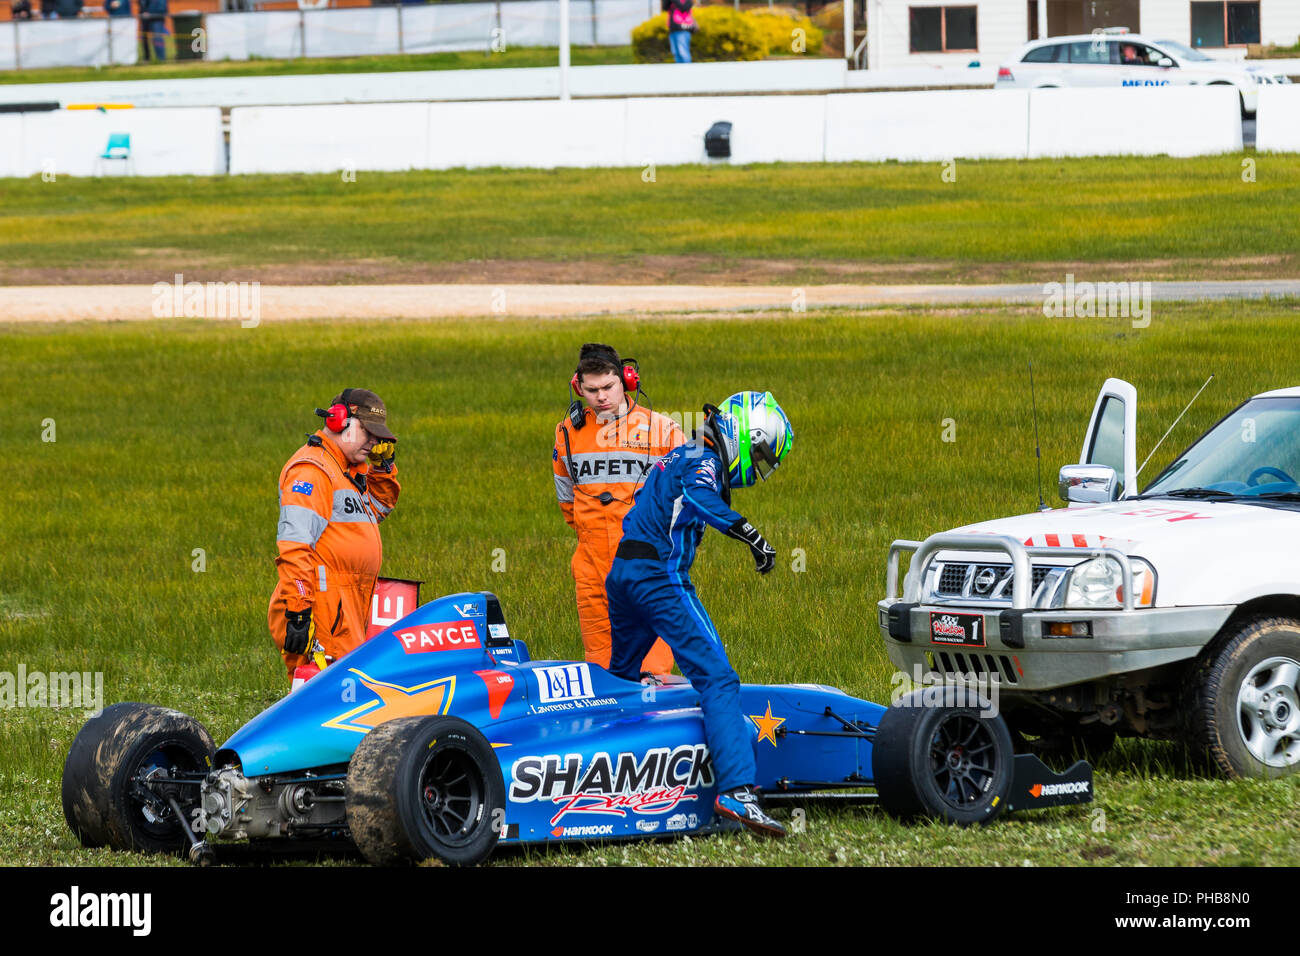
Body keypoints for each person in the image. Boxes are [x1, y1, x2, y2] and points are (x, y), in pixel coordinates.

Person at [606, 390, 793, 838]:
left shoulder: (679, 452)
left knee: (621, 680)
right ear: (745, 436)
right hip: (658, 577)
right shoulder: (703, 458)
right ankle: (737, 792)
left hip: (622, 574)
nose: (757, 469)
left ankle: (611, 782)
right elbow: (700, 495)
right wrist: (750, 535)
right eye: (760, 455)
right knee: (718, 678)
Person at [553, 343, 685, 675]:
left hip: (647, 565)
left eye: (608, 387)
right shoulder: (567, 433)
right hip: (591, 569)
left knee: (652, 672)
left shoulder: (664, 431)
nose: (601, 397)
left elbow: (686, 499)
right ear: (578, 388)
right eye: (592, 390)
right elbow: (567, 502)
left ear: (626, 381)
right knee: (601, 673)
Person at [268, 388, 400, 679]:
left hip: (344, 608)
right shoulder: (312, 471)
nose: (375, 442)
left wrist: (383, 468)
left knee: (343, 696)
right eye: (368, 432)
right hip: (323, 612)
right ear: (340, 420)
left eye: (379, 437)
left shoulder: (347, 472)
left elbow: (375, 511)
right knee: (323, 698)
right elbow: (295, 546)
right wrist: (299, 611)